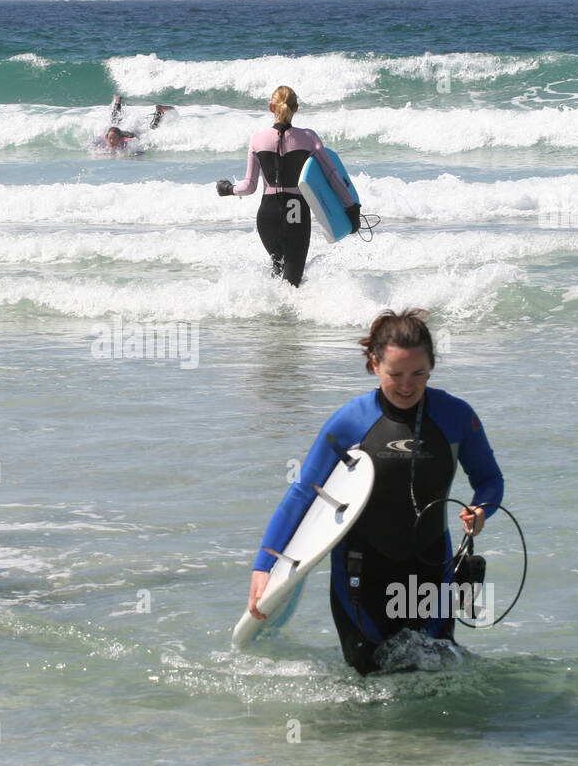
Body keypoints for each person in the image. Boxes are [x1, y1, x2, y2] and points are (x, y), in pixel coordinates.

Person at [246, 309, 504, 674]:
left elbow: (490, 479)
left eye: (419, 374)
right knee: (369, 684)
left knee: (434, 679)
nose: (407, 385)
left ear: (432, 366)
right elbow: (304, 494)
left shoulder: (456, 416)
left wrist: (481, 511)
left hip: (431, 570)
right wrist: (264, 565)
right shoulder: (350, 421)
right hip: (360, 577)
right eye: (395, 374)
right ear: (374, 365)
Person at [216, 85, 360, 287]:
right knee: (292, 281)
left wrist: (229, 189)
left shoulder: (257, 139)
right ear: (296, 108)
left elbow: (249, 186)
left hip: (267, 214)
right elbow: (332, 176)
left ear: (270, 108)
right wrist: (352, 208)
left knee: (278, 275)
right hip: (297, 211)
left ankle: (271, 317)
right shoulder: (309, 138)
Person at [95, 94, 172, 151]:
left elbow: (139, 152)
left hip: (132, 134)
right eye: (110, 138)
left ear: (119, 139)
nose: (111, 141)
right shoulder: (103, 139)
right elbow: (91, 146)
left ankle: (160, 110)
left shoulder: (126, 142)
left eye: (114, 138)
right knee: (114, 122)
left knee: (152, 129)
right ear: (106, 137)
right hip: (118, 132)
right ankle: (118, 101)